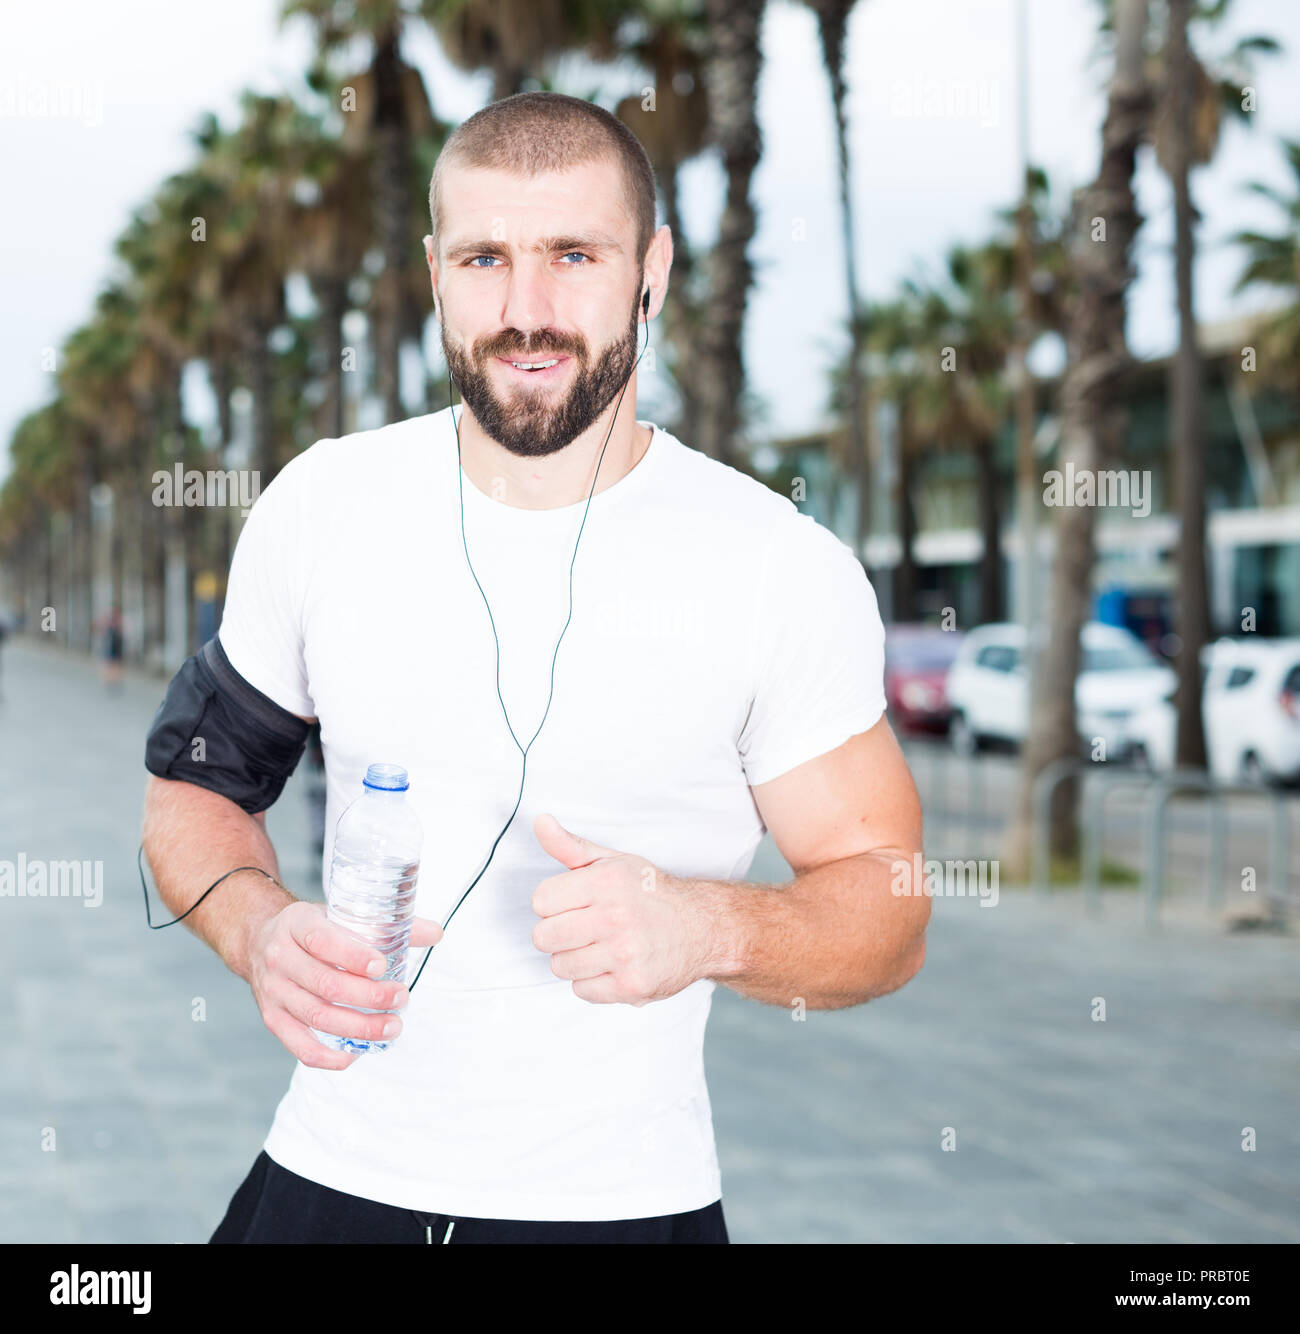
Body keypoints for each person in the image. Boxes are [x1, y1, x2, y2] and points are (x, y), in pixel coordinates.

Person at [140, 92, 927, 1245]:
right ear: (433, 272)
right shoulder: (324, 504)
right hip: (326, 1182)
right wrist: (256, 927)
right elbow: (195, 784)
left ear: (650, 269)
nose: (526, 310)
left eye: (573, 253)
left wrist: (709, 926)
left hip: (617, 1205)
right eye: (484, 257)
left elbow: (891, 903)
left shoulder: (777, 567)